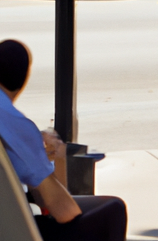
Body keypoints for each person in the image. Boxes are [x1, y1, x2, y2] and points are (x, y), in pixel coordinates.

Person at [0, 39, 127, 241]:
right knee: (114, 210)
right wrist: (58, 156)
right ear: (23, 79)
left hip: (10, 218)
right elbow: (65, 212)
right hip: (14, 229)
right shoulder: (17, 125)